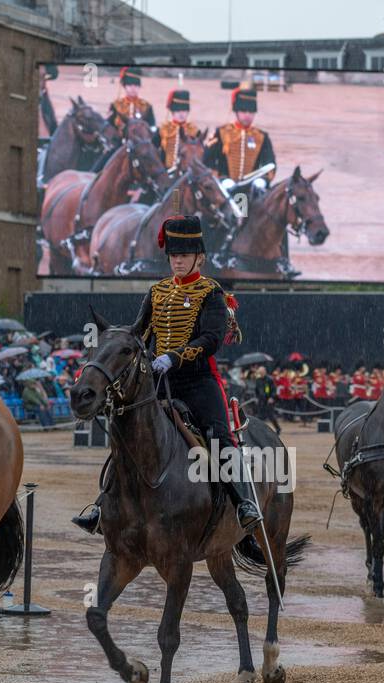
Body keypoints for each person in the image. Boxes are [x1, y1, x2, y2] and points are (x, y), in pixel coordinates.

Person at [73, 215, 262, 538]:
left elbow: (212, 340)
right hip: (160, 383)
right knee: (127, 433)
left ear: (198, 258)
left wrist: (175, 356)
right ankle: (104, 504)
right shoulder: (158, 291)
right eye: (174, 256)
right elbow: (141, 333)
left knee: (218, 435)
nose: (177, 261)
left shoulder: (211, 292)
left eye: (184, 256)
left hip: (199, 381)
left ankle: (243, 502)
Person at [205, 85, 277, 200]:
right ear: (236, 112)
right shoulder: (221, 133)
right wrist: (221, 179)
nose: (247, 115)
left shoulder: (261, 136)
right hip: (225, 187)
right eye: (243, 111)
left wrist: (263, 180)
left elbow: (270, 164)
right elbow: (208, 161)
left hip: (252, 188)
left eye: (251, 112)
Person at [107, 66, 155, 134]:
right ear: (125, 86)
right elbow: (109, 126)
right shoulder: (115, 105)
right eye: (130, 85)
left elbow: (152, 127)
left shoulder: (147, 106)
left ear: (139, 87)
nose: (133, 88)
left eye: (136, 85)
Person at [159, 89, 198, 169]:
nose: (181, 114)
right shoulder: (163, 130)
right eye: (178, 111)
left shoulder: (194, 131)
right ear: (173, 112)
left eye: (184, 111)